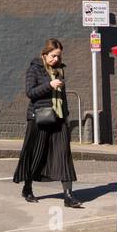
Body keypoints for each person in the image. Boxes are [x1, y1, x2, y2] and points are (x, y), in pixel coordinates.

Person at [13, 38, 81, 207]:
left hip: (58, 119)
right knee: (36, 154)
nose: (56, 60)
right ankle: (27, 188)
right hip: (39, 119)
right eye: (52, 56)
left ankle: (68, 195)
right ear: (44, 54)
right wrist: (49, 85)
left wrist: (65, 114)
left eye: (58, 56)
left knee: (64, 155)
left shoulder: (60, 70)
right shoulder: (34, 69)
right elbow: (30, 92)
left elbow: (62, 96)